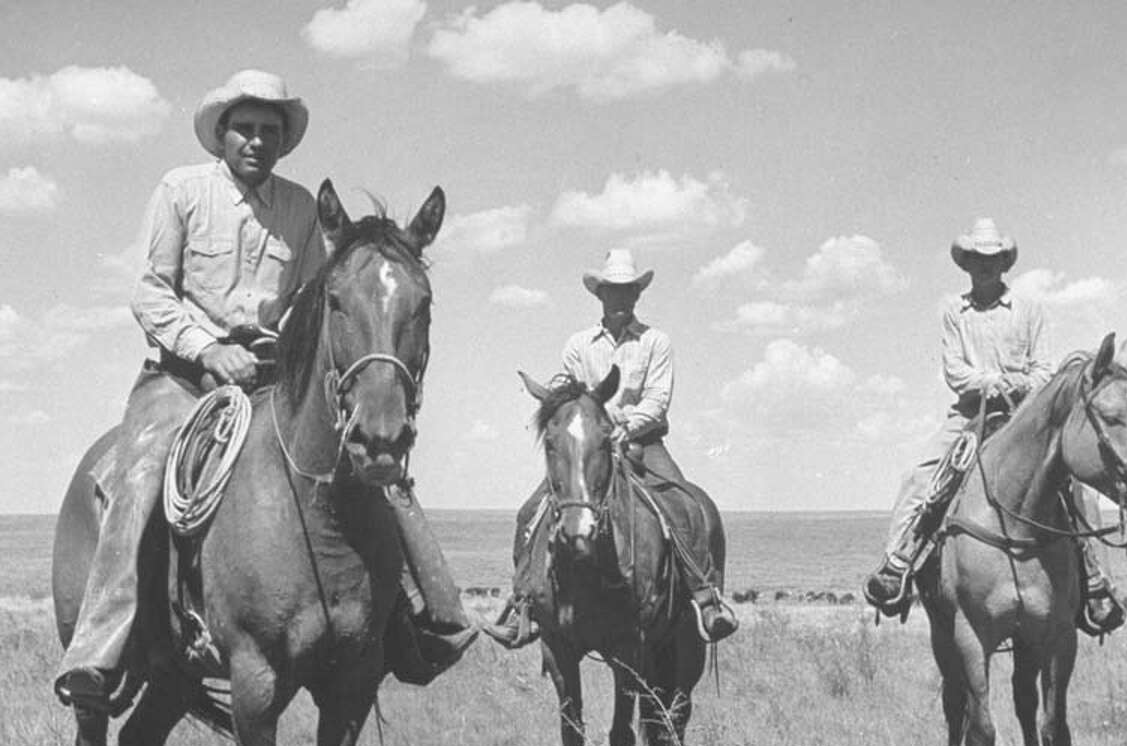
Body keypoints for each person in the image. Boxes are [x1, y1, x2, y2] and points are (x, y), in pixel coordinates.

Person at [55, 70, 467, 713]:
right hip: (181, 378)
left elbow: (309, 300)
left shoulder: (302, 208)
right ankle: (99, 650)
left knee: (369, 462)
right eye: (244, 129)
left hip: (269, 379)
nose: (256, 141)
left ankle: (415, 623)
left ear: (283, 142)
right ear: (221, 135)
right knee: (141, 474)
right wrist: (209, 348)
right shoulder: (182, 192)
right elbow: (151, 291)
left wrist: (280, 356)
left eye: (269, 132)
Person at [863, 218, 1125, 632]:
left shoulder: (1030, 310)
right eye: (976, 259)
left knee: (1077, 487)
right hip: (970, 414)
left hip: (1026, 415)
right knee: (919, 478)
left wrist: (1022, 384)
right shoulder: (954, 312)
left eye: (992, 258)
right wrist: (990, 382)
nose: (984, 265)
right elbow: (955, 371)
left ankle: (1096, 585)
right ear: (966, 264)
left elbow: (1044, 370)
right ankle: (897, 565)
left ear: (1005, 263)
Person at [484, 248, 738, 648]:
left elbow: (657, 399)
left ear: (637, 295)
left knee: (684, 506)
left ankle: (707, 600)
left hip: (642, 443)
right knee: (530, 514)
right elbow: (568, 397)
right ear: (600, 295)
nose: (620, 300)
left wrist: (625, 427)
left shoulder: (655, 341)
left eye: (627, 293)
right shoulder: (578, 345)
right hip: (589, 448)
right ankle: (524, 606)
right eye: (613, 293)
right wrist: (591, 428)